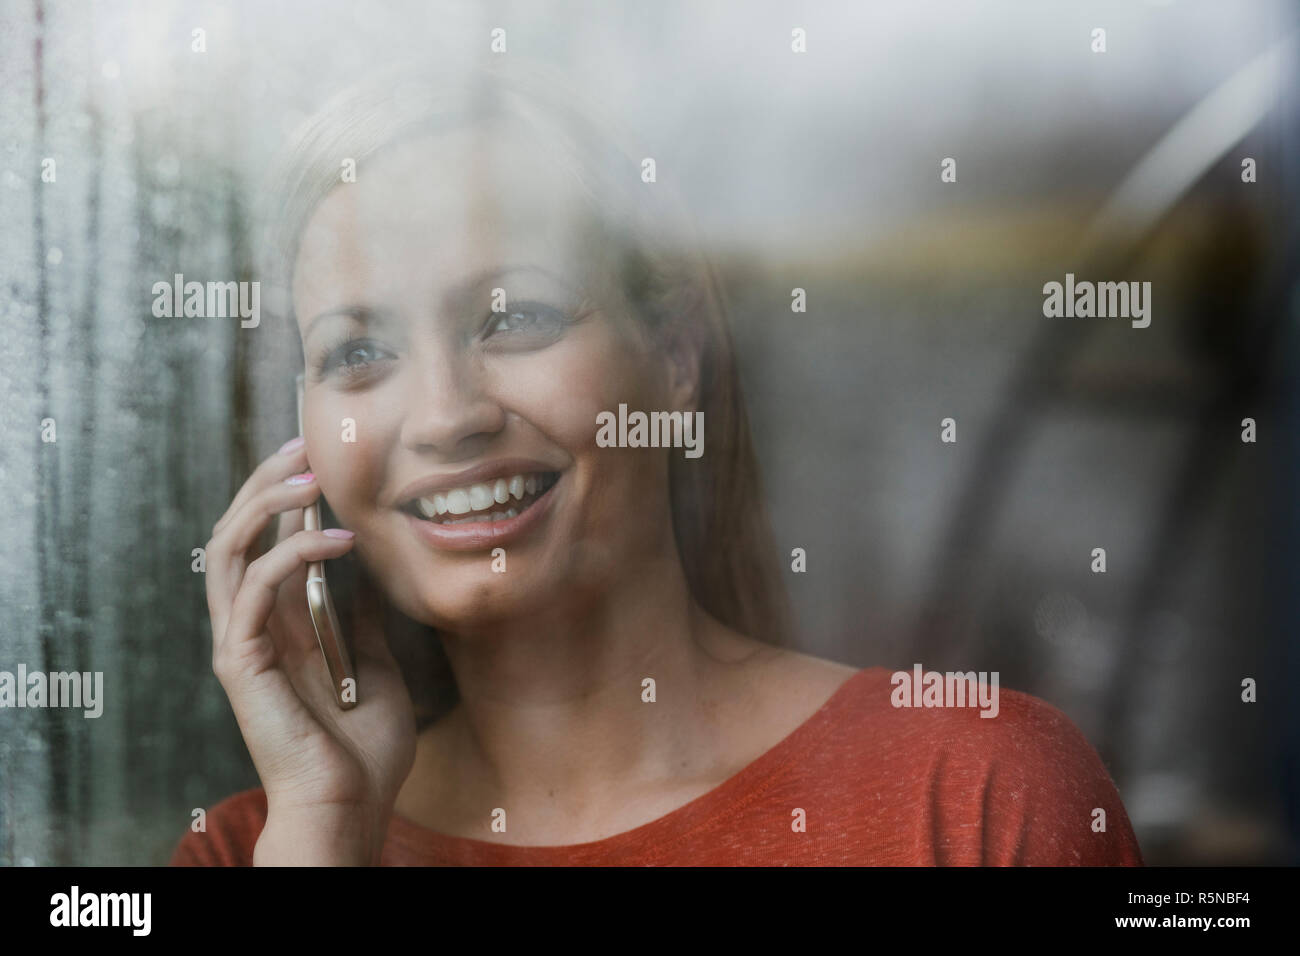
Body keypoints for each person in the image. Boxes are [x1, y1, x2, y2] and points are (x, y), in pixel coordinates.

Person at [171, 60, 1142, 866]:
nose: (445, 415)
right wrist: (322, 837)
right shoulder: (254, 847)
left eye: (515, 317)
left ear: (674, 357)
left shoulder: (977, 790)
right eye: (356, 352)